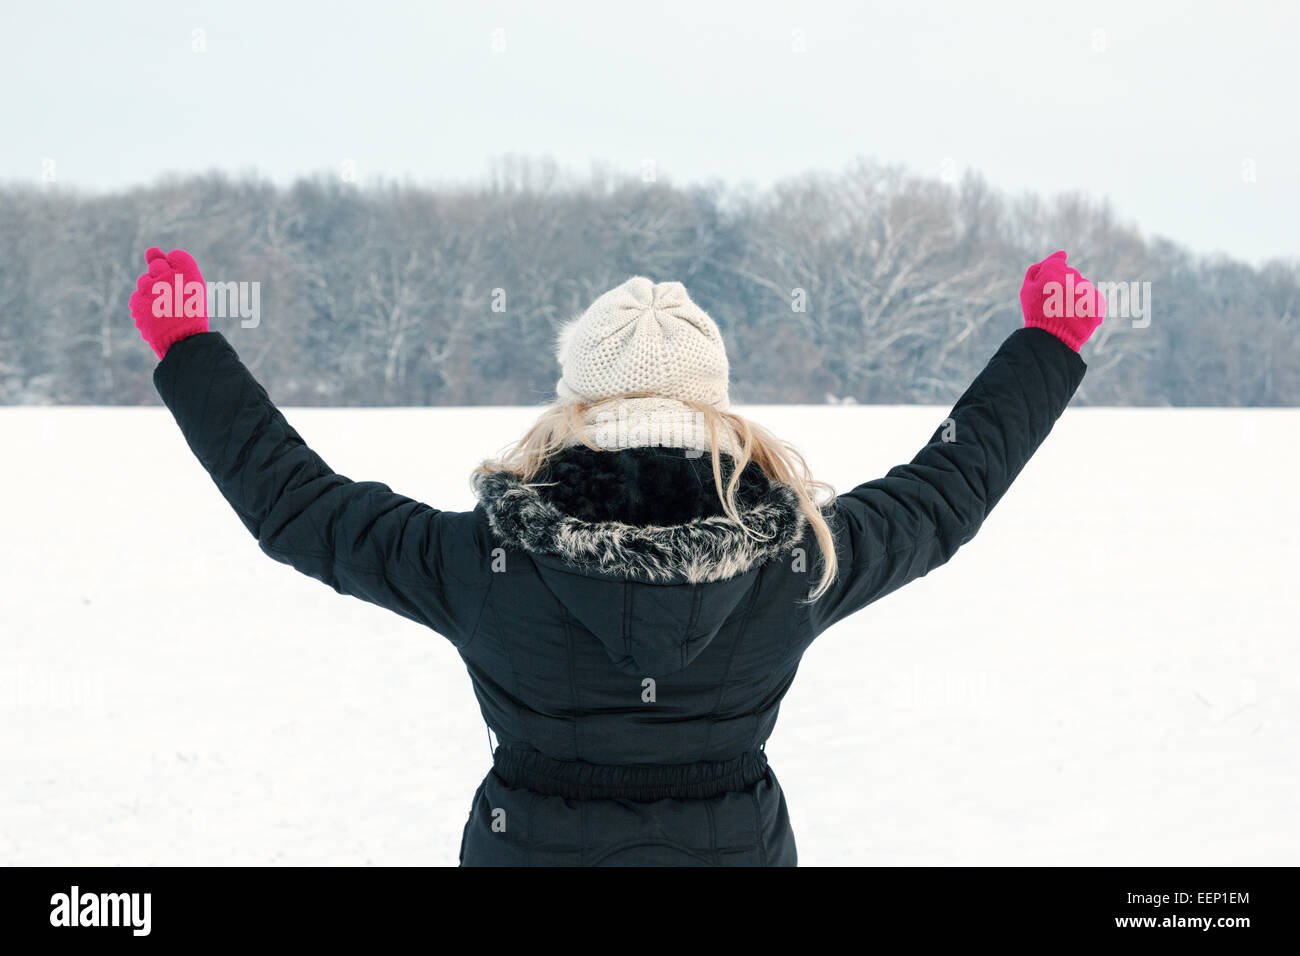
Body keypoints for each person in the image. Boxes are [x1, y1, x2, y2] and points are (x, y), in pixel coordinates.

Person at [131, 247, 1103, 866]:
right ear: (715, 405)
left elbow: (302, 511)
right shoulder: (795, 556)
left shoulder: (487, 556)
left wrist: (189, 348)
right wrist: (1046, 344)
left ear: (577, 403)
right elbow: (941, 498)